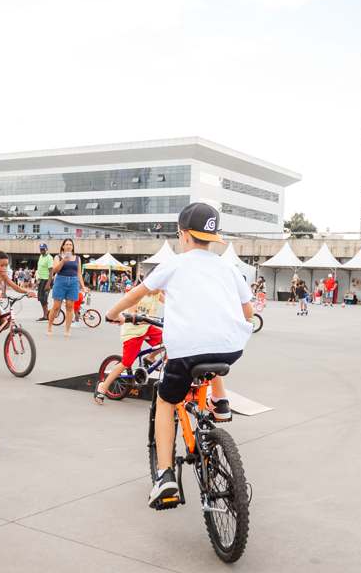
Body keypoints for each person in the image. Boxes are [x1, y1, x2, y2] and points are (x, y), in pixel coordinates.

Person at [105, 202, 253, 507]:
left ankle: (165, 476)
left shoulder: (175, 263)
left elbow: (138, 293)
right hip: (232, 347)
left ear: (182, 234)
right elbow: (247, 310)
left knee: (165, 400)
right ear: (213, 238)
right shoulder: (228, 267)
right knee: (211, 355)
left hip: (187, 351)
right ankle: (220, 402)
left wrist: (113, 312)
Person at [95, 289, 164, 404]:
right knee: (126, 362)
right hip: (132, 332)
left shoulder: (158, 293)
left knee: (167, 341)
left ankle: (150, 357)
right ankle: (103, 386)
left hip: (146, 328)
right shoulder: (140, 293)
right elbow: (131, 313)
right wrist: (135, 317)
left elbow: (171, 303)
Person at [47, 239, 86, 338]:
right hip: (60, 281)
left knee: (70, 307)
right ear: (63, 246)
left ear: (72, 247)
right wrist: (63, 261)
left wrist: (83, 286)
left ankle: (67, 330)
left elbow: (79, 274)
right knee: (56, 307)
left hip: (73, 282)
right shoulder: (58, 257)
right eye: (66, 244)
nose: (68, 246)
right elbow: (55, 270)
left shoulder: (77, 258)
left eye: (70, 244)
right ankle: (49, 326)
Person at [35, 244, 53, 321]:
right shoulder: (41, 256)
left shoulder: (49, 258)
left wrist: (48, 284)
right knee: (41, 298)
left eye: (43, 249)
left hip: (46, 280)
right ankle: (45, 315)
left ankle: (47, 315)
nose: (42, 250)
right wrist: (38, 280)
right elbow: (39, 269)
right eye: (41, 249)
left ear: (46, 249)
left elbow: (51, 272)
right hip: (41, 280)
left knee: (44, 299)